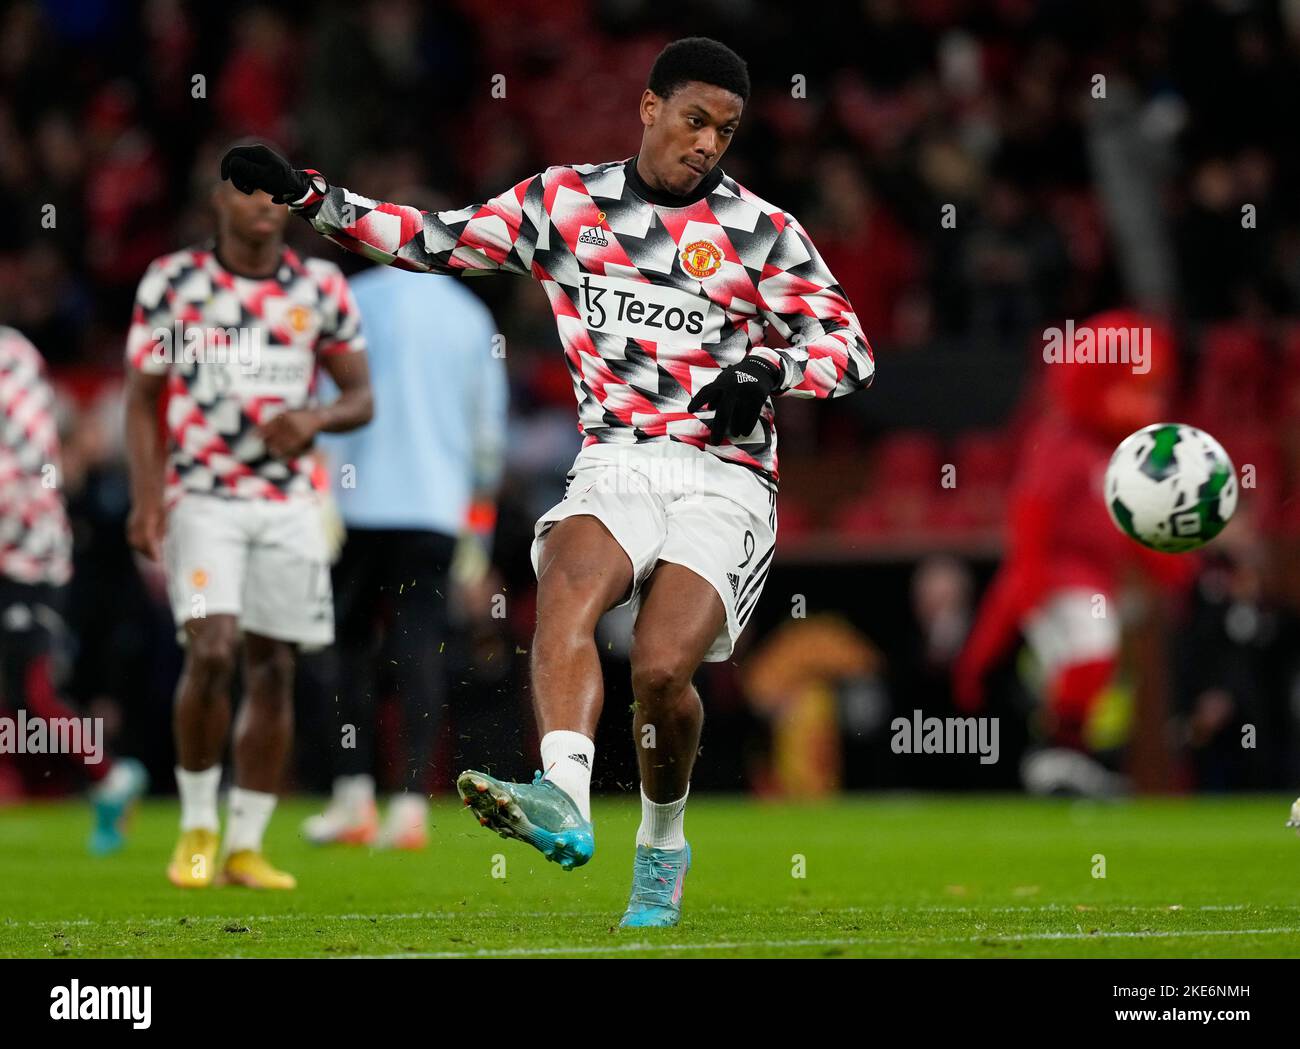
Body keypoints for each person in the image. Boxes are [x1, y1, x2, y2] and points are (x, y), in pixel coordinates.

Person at [220, 36, 874, 926]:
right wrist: (311, 196)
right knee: (565, 588)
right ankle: (563, 792)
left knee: (661, 671)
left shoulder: (762, 232)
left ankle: (661, 840)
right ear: (648, 108)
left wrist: (766, 374)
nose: (707, 144)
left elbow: (851, 350)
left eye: (724, 130)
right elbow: (432, 241)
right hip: (614, 460)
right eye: (693, 120)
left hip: (726, 478)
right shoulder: (566, 202)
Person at [123, 158, 372, 889]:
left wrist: (316, 415)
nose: (265, 202)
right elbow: (143, 398)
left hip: (292, 506)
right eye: (246, 188)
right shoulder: (174, 283)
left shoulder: (319, 287)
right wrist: (146, 499)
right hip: (201, 500)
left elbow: (360, 397)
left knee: (273, 665)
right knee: (213, 648)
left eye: (275, 191)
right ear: (217, 199)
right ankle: (198, 823)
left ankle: (245, 844)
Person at [303, 262, 507, 850]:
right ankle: (412, 805)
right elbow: (488, 435)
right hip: (437, 510)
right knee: (420, 651)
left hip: (352, 505)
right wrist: (479, 535)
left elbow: (321, 400)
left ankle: (352, 797)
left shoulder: (353, 299)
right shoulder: (471, 316)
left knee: (347, 651)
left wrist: (317, 497)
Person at [1, 325, 147, 852]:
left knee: (35, 688)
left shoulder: (10, 356)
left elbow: (29, 466)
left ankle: (108, 776)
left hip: (25, 555)